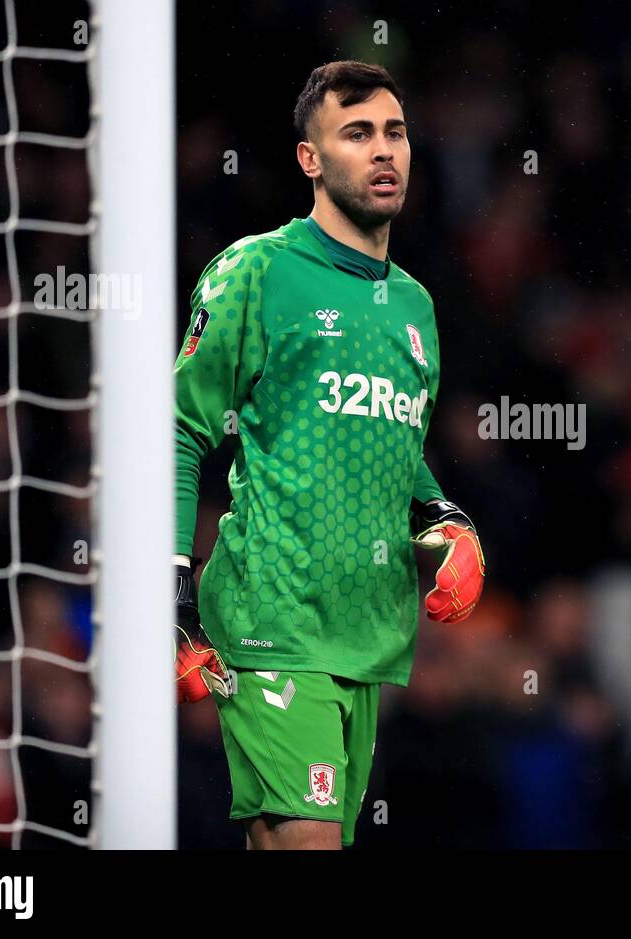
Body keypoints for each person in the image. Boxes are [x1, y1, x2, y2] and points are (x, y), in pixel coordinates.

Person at [171, 60, 485, 850]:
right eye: (356, 134)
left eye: (395, 132)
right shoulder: (259, 272)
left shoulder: (415, 306)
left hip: (366, 635)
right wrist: (168, 590)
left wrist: (445, 515)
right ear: (311, 159)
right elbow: (176, 428)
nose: (384, 151)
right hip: (273, 619)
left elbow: (390, 445)